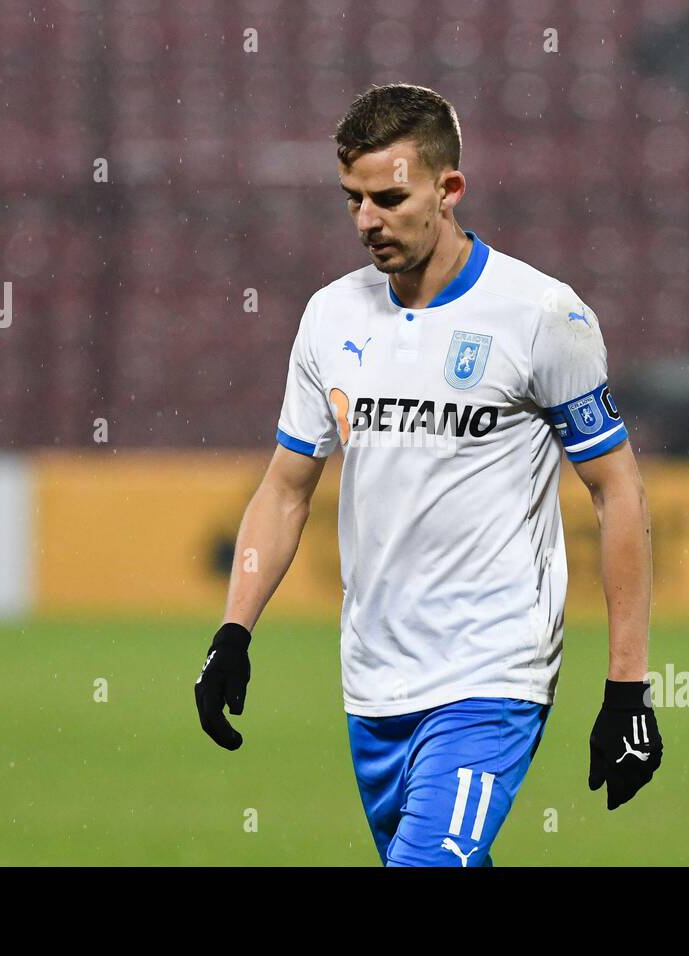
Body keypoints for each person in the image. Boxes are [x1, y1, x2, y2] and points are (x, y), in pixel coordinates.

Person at [195, 83, 660, 867]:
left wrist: (627, 689)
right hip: (373, 682)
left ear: (449, 190)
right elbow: (285, 488)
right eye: (352, 200)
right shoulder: (330, 318)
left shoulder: (543, 316)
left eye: (389, 197)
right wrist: (233, 633)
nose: (367, 221)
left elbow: (618, 492)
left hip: (492, 675)